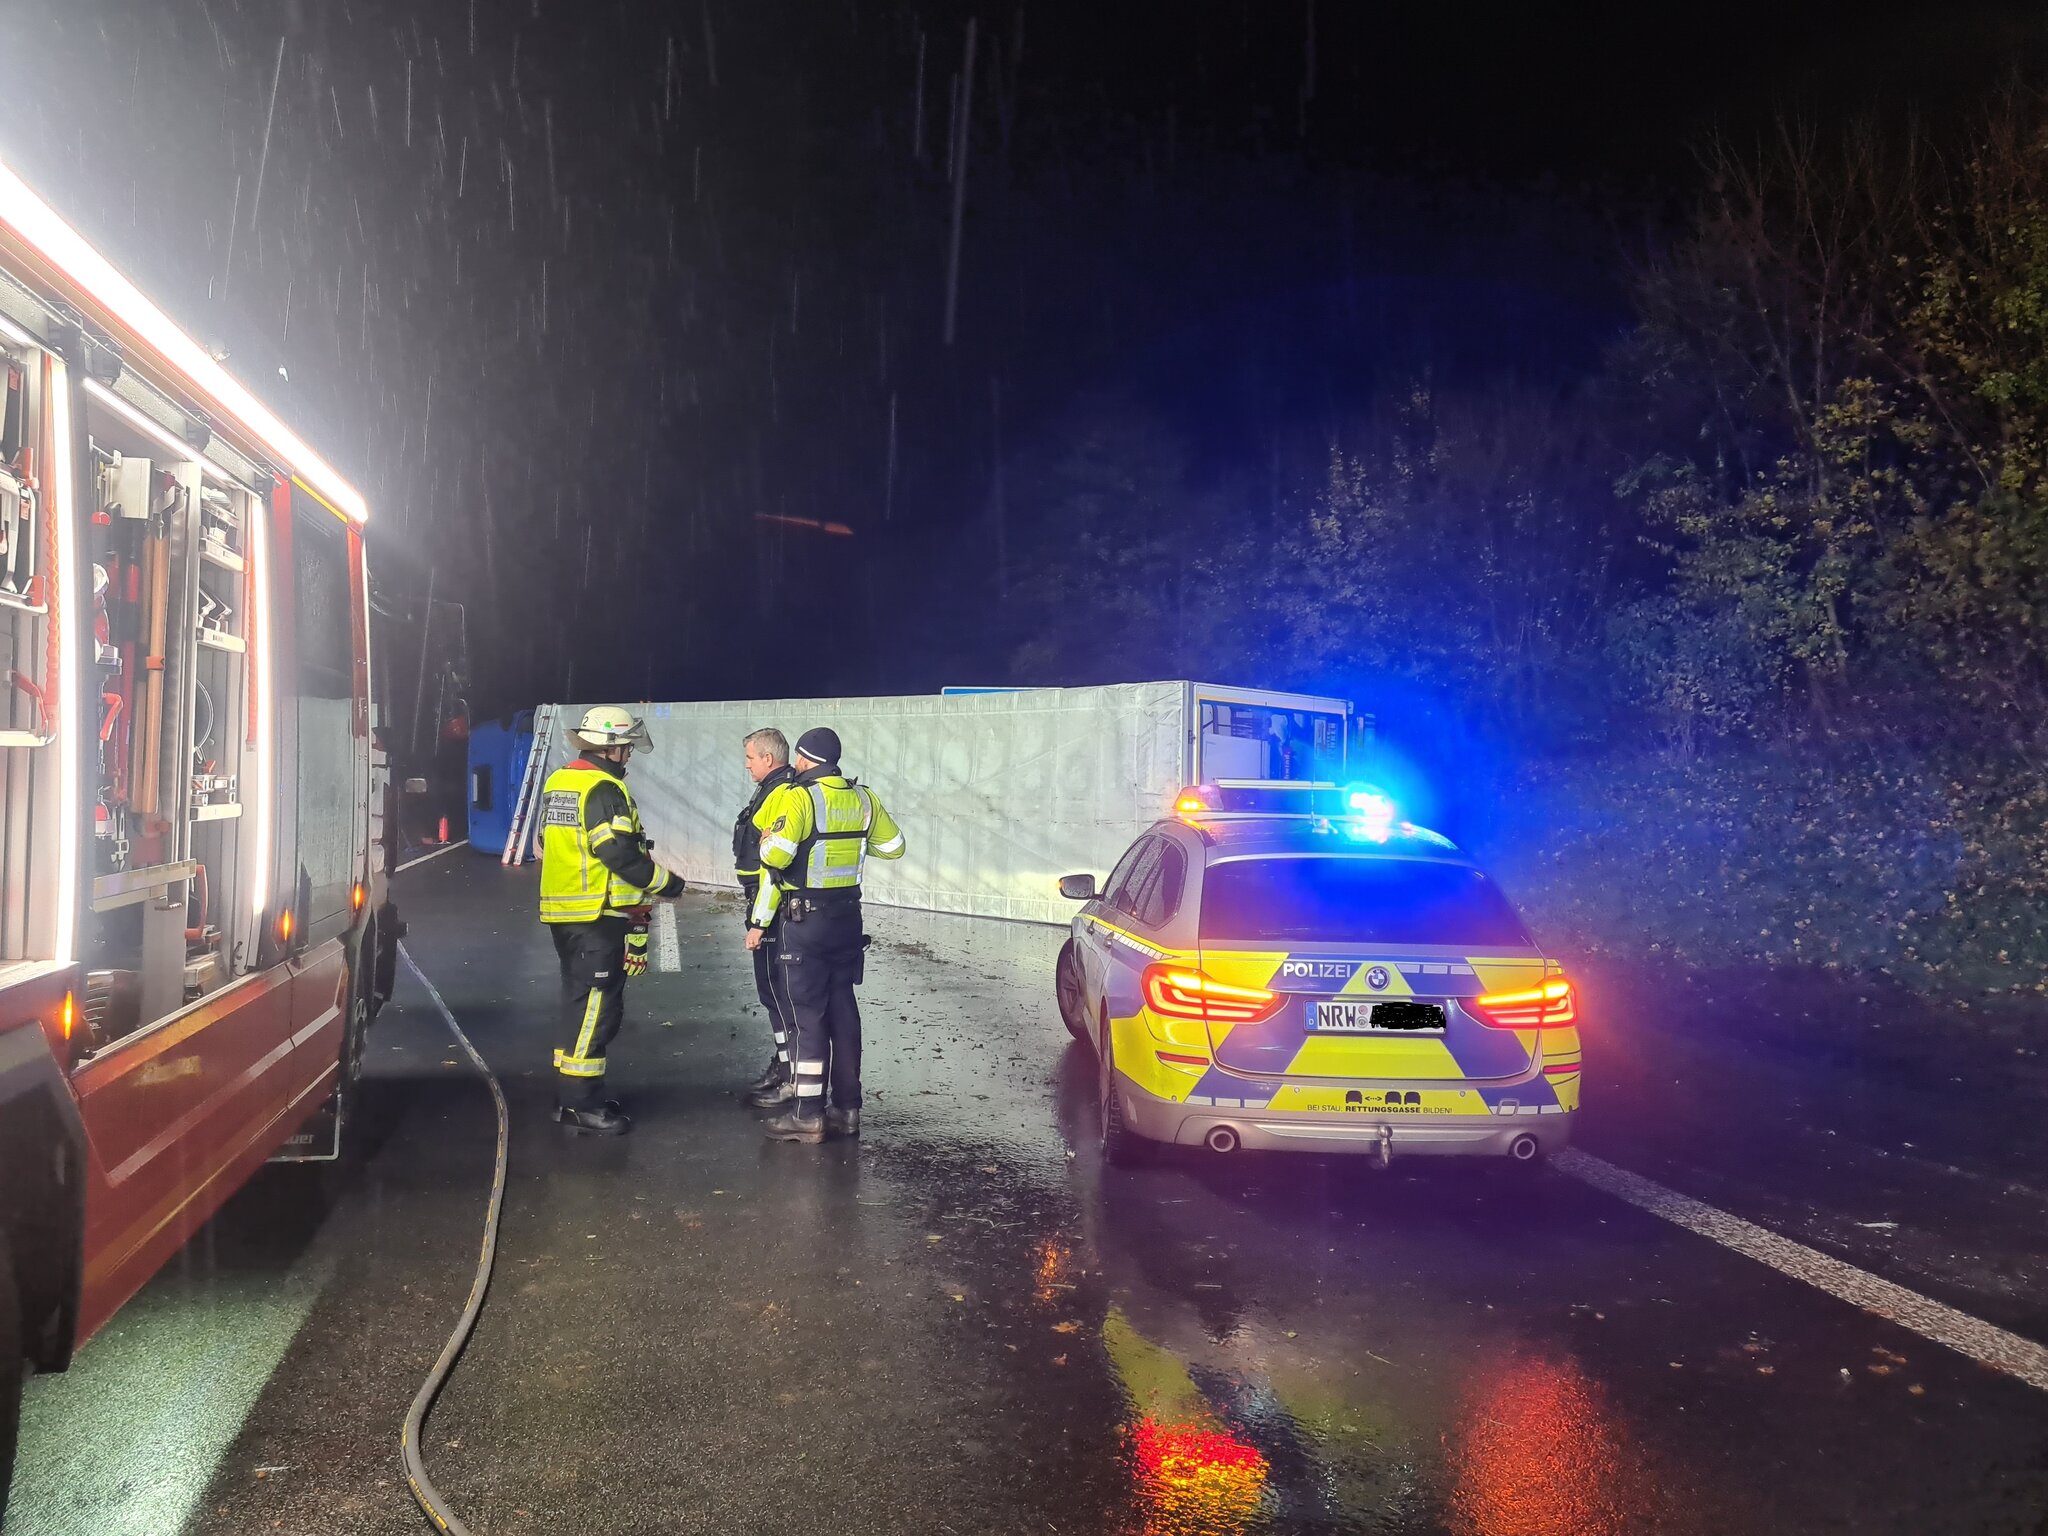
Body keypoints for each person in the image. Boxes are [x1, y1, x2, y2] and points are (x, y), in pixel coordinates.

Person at [747, 726, 905, 1143]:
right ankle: (847, 1109)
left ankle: (807, 1114)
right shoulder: (863, 798)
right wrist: (849, 843)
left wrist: (768, 843)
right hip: (848, 920)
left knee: (808, 1016)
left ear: (801, 759)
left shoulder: (799, 798)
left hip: (806, 922)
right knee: (843, 1011)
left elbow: (776, 856)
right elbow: (894, 847)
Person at [537, 704, 686, 1135]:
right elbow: (617, 854)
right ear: (611, 748)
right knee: (598, 1011)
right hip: (598, 915)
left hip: (565, 912)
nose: (628, 755)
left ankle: (569, 1095)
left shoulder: (560, 780)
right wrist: (667, 883)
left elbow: (548, 842)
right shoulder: (604, 790)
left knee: (576, 1004)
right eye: (625, 746)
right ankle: (582, 1104)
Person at [733, 726, 799, 1104]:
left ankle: (791, 1072)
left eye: (750, 758)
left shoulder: (783, 795)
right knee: (771, 992)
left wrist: (759, 921)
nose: (747, 765)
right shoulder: (771, 790)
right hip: (762, 901)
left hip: (771, 906)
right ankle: (784, 1064)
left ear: (768, 759)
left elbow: (773, 865)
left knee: (778, 991)